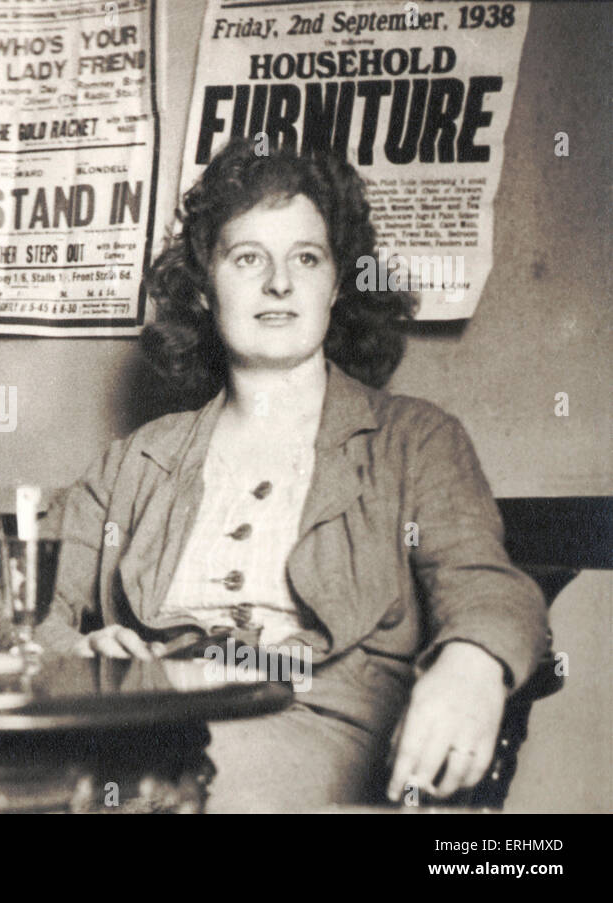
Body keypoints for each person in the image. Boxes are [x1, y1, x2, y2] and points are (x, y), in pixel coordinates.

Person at [36, 139, 548, 812]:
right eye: (248, 257)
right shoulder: (137, 460)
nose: (279, 282)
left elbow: (486, 584)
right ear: (204, 284)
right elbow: (28, 602)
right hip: (141, 733)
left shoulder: (414, 439)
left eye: (306, 257)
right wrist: (79, 653)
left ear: (336, 283)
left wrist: (473, 664)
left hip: (317, 739)